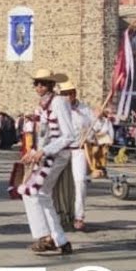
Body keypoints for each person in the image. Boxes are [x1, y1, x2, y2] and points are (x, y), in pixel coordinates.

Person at [14, 68, 75, 256]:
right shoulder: (42, 105)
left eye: (43, 84)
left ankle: (45, 237)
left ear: (50, 85)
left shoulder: (58, 103)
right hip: (47, 154)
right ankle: (60, 240)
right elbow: (43, 136)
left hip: (56, 155)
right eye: (36, 83)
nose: (39, 87)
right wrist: (32, 152)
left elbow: (68, 135)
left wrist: (44, 151)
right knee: (42, 196)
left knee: (30, 192)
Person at [60, 80, 95, 231]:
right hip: (60, 149)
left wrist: (90, 135)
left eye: (70, 93)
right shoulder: (57, 108)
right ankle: (57, 212)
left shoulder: (85, 109)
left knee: (80, 181)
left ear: (75, 93)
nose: (68, 96)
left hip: (78, 149)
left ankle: (79, 216)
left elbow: (95, 128)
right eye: (64, 94)